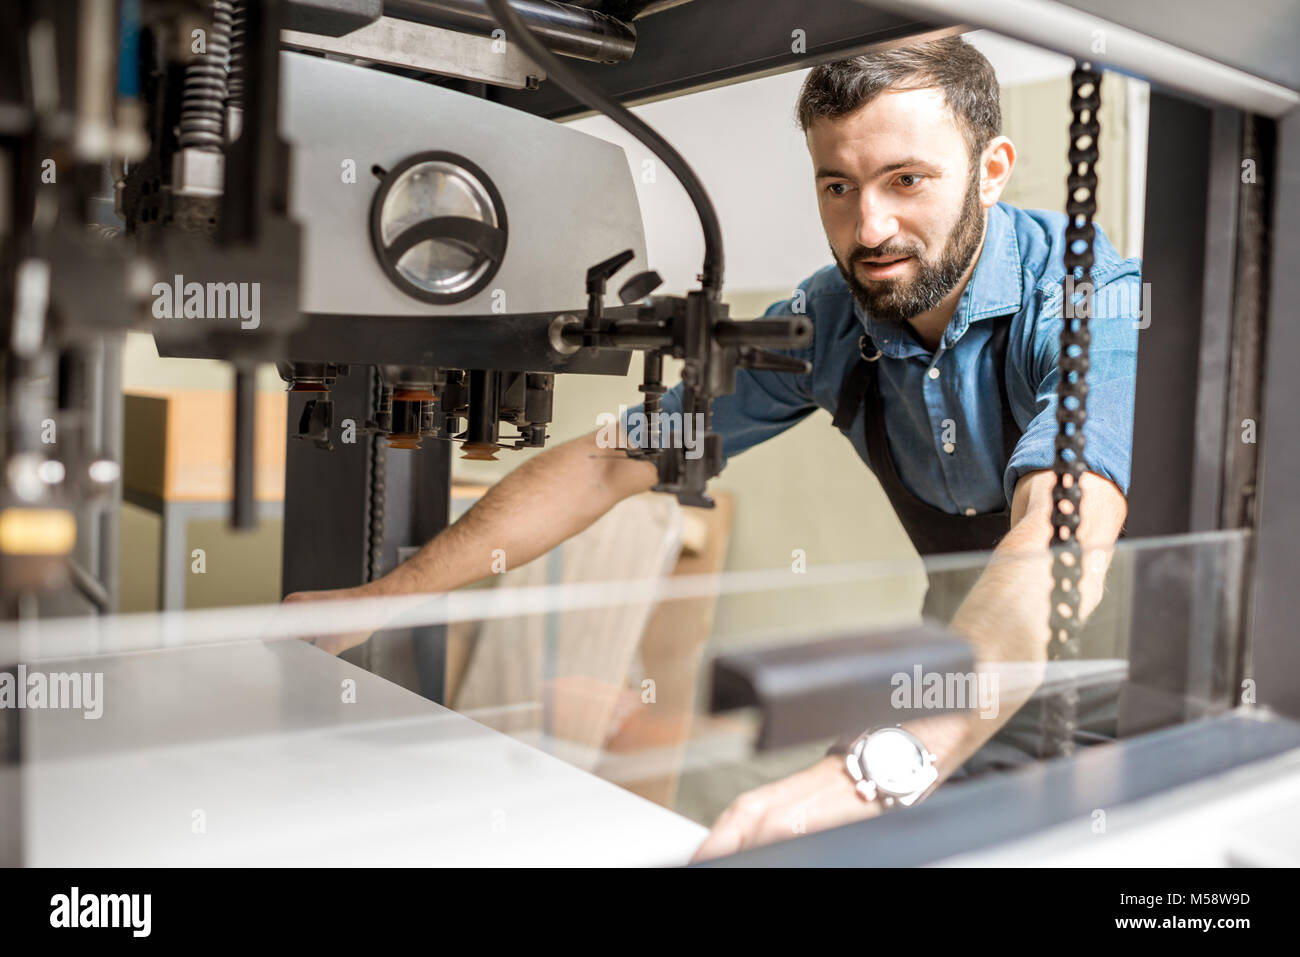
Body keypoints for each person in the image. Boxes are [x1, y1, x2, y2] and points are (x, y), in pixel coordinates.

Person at [288, 36, 1141, 862]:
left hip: (1148, 694)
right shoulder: (830, 322)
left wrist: (877, 771)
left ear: (991, 171)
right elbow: (609, 460)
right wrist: (381, 597)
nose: (869, 226)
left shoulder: (1084, 301)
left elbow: (1059, 539)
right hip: (956, 674)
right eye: (837, 185)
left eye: (906, 180)